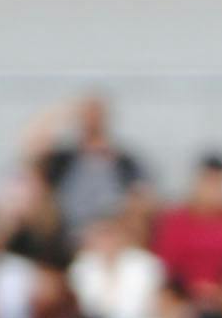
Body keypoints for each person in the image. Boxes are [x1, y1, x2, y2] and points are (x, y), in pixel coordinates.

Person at [152, 153, 222, 309]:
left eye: (220, 184)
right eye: (209, 182)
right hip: (182, 297)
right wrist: (193, 290)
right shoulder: (176, 220)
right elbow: (167, 266)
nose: (214, 190)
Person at [37, 93, 148, 230]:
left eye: (96, 113)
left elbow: (142, 192)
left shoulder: (125, 162)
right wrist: (60, 114)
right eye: (87, 114)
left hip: (114, 230)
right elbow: (33, 151)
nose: (91, 119)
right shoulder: (64, 160)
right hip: (68, 230)